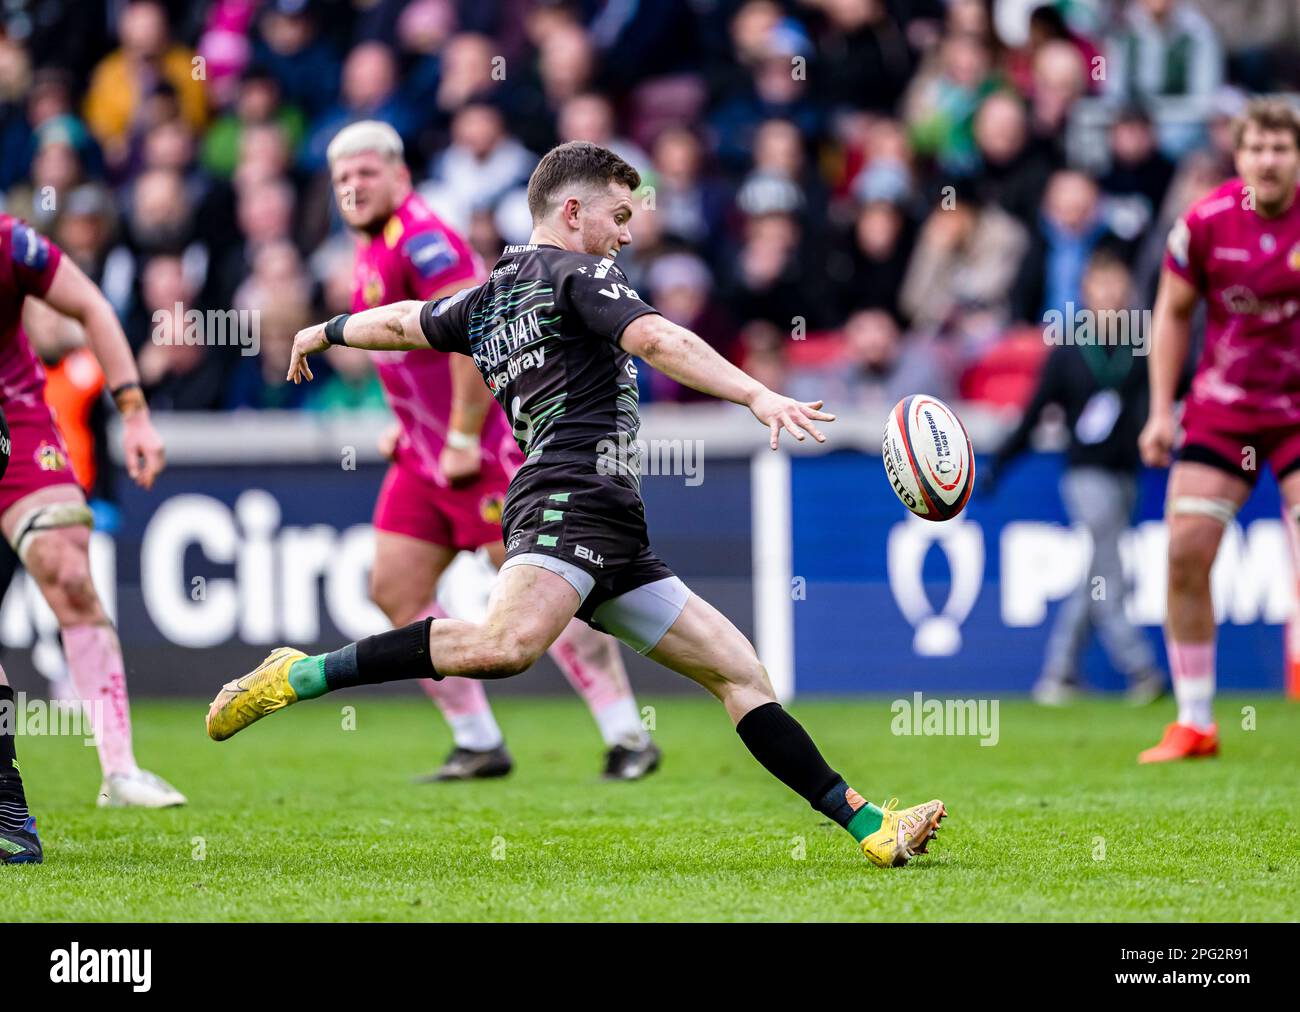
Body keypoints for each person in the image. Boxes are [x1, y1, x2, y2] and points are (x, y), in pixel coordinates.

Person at [207, 141, 947, 869]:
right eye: (619, 215)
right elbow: (655, 337)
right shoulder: (578, 273)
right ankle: (298, 676)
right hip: (567, 496)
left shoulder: (488, 296)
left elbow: (405, 322)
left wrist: (329, 329)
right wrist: (756, 392)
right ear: (572, 211)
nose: (627, 233)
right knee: (506, 647)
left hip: (613, 520)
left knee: (738, 673)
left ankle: (871, 827)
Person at [326, 121, 659, 780]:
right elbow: (409, 349)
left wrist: (454, 434)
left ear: (399, 176)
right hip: (422, 458)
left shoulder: (422, 238)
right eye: (341, 178)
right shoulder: (374, 245)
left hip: (478, 453)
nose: (352, 187)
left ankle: (628, 734)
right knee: (393, 587)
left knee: (550, 596)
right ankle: (478, 739)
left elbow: (482, 327)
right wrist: (409, 423)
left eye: (365, 173)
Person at [0, 214, 184, 868]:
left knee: (70, 572)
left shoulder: (10, 241)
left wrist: (134, 413)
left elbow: (90, 304)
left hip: (15, 420)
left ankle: (120, 769)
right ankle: (6, 795)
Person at [1137, 98, 1300, 762]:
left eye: (1281, 148)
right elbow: (1172, 314)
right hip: (1224, 408)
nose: (1268, 159)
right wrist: (1158, 410)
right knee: (1184, 551)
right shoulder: (1203, 223)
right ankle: (1196, 720)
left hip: (1298, 408)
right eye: (1257, 147)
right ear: (1238, 156)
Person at [982, 249, 1166, 706]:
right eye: (1099, 286)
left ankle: (1058, 673)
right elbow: (1032, 415)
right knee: (1111, 572)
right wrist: (998, 467)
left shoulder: (1140, 346)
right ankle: (1141, 669)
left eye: (1116, 285)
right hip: (1086, 476)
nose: (1108, 295)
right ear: (1085, 294)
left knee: (1095, 576)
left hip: (1126, 476)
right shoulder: (1069, 353)